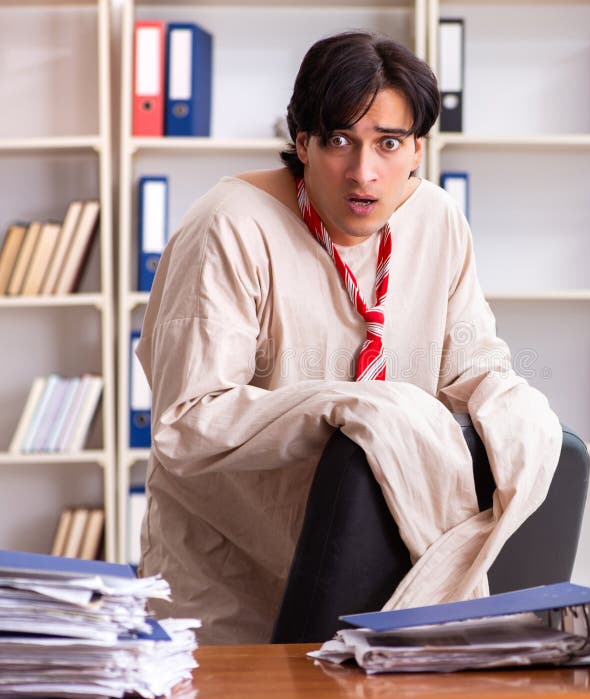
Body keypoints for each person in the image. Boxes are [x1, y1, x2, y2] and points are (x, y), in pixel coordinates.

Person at [136, 31, 561, 645]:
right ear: (302, 143)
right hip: (230, 591)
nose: (364, 173)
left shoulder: (437, 220)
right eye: (340, 141)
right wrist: (345, 404)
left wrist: (514, 405)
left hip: (378, 580)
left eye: (389, 143)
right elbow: (186, 422)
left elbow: (470, 364)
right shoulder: (228, 227)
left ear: (417, 149)